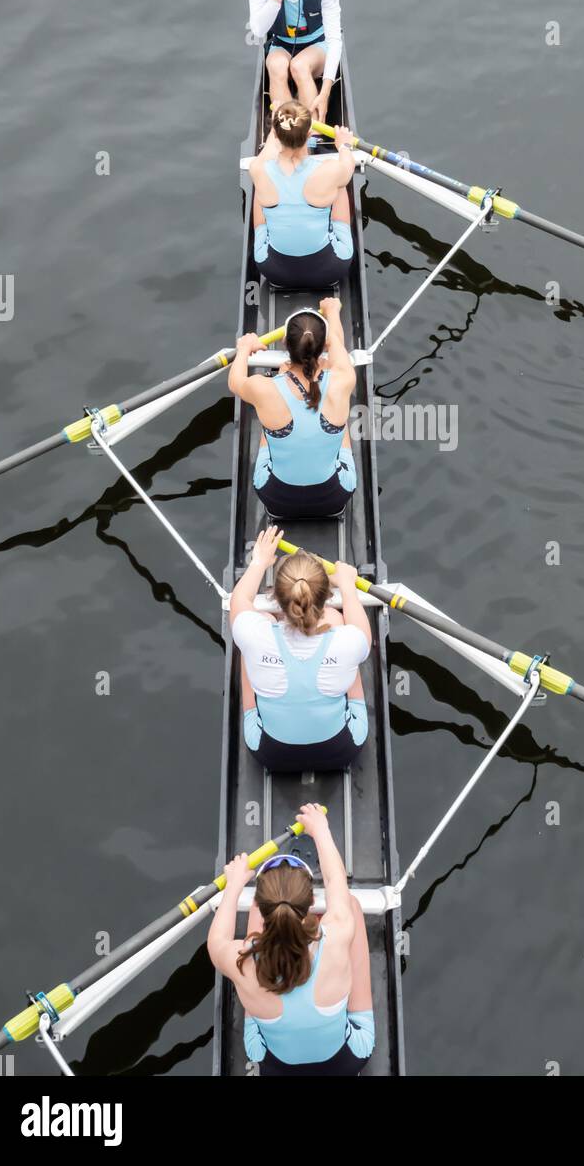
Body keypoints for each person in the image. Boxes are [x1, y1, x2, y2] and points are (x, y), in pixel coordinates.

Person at [207, 804, 375, 1077]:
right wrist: (320, 831)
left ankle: (267, 914)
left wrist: (234, 884)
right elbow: (335, 882)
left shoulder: (241, 960)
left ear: (262, 908)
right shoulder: (337, 933)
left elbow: (216, 941)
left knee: (250, 947)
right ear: (310, 902)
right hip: (345, 1062)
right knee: (352, 905)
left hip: (274, 1065)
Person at [230, 525, 370, 772]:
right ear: (326, 595)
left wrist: (259, 562)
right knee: (341, 628)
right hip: (342, 750)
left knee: (248, 639)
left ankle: (254, 710)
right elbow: (359, 627)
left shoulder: (253, 632)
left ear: (275, 596)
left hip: (270, 754)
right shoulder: (351, 640)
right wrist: (347, 585)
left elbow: (239, 600)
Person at [228, 301, 357, 519]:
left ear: (285, 343)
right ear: (324, 344)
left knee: (268, 424)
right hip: (335, 497)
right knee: (342, 427)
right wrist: (333, 312)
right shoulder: (344, 379)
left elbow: (235, 381)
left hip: (276, 499)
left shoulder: (263, 388)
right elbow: (338, 348)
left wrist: (244, 349)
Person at [248, 102, 355, 290]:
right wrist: (344, 145)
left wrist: (276, 131)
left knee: (261, 187)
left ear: (275, 133)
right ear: (309, 134)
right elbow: (348, 167)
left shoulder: (258, 168)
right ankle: (337, 230)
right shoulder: (329, 169)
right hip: (331, 270)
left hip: (273, 271)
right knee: (340, 183)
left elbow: (269, 152)